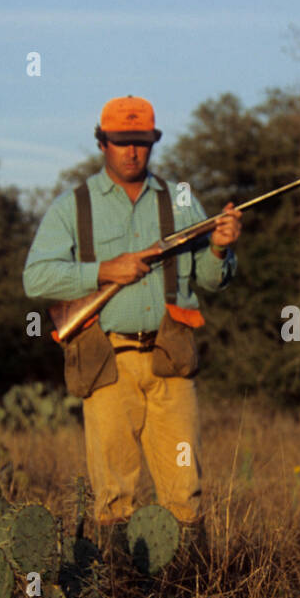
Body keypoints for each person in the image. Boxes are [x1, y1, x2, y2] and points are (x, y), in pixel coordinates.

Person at [23, 95, 241, 552]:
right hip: (107, 363)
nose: (132, 152)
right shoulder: (74, 205)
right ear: (102, 143)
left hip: (171, 359)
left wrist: (220, 246)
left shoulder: (180, 200)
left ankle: (192, 591)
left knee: (186, 489)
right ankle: (116, 595)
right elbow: (35, 277)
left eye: (141, 143)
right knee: (112, 494)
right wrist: (104, 270)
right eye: (121, 142)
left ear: (152, 143)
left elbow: (211, 280)